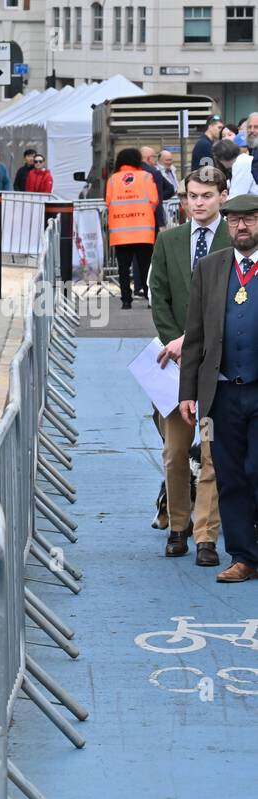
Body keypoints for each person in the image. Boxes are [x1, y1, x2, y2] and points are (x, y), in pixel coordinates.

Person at [149, 167, 229, 566]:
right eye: (192, 196)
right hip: (173, 367)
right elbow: (158, 296)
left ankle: (206, 536)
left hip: (218, 367)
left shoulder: (238, 240)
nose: (198, 203)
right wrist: (174, 341)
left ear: (223, 197)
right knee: (175, 451)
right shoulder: (169, 241)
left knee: (212, 453)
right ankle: (177, 525)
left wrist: (193, 341)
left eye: (207, 195)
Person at [178, 192, 258, 583]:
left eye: (250, 219)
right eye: (235, 220)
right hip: (221, 394)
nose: (242, 226)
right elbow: (194, 337)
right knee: (229, 476)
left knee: (257, 469)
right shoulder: (210, 269)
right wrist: (187, 393)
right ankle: (244, 557)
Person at [105, 147, 159, 309]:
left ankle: (126, 301)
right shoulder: (146, 177)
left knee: (123, 268)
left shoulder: (113, 179)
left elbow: (108, 202)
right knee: (145, 267)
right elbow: (154, 201)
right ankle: (150, 298)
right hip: (143, 231)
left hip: (120, 233)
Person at [141, 145, 174, 229]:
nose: (155, 161)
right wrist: (161, 224)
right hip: (151, 217)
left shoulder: (129, 173)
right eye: (154, 157)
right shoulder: (154, 173)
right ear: (149, 158)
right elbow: (170, 189)